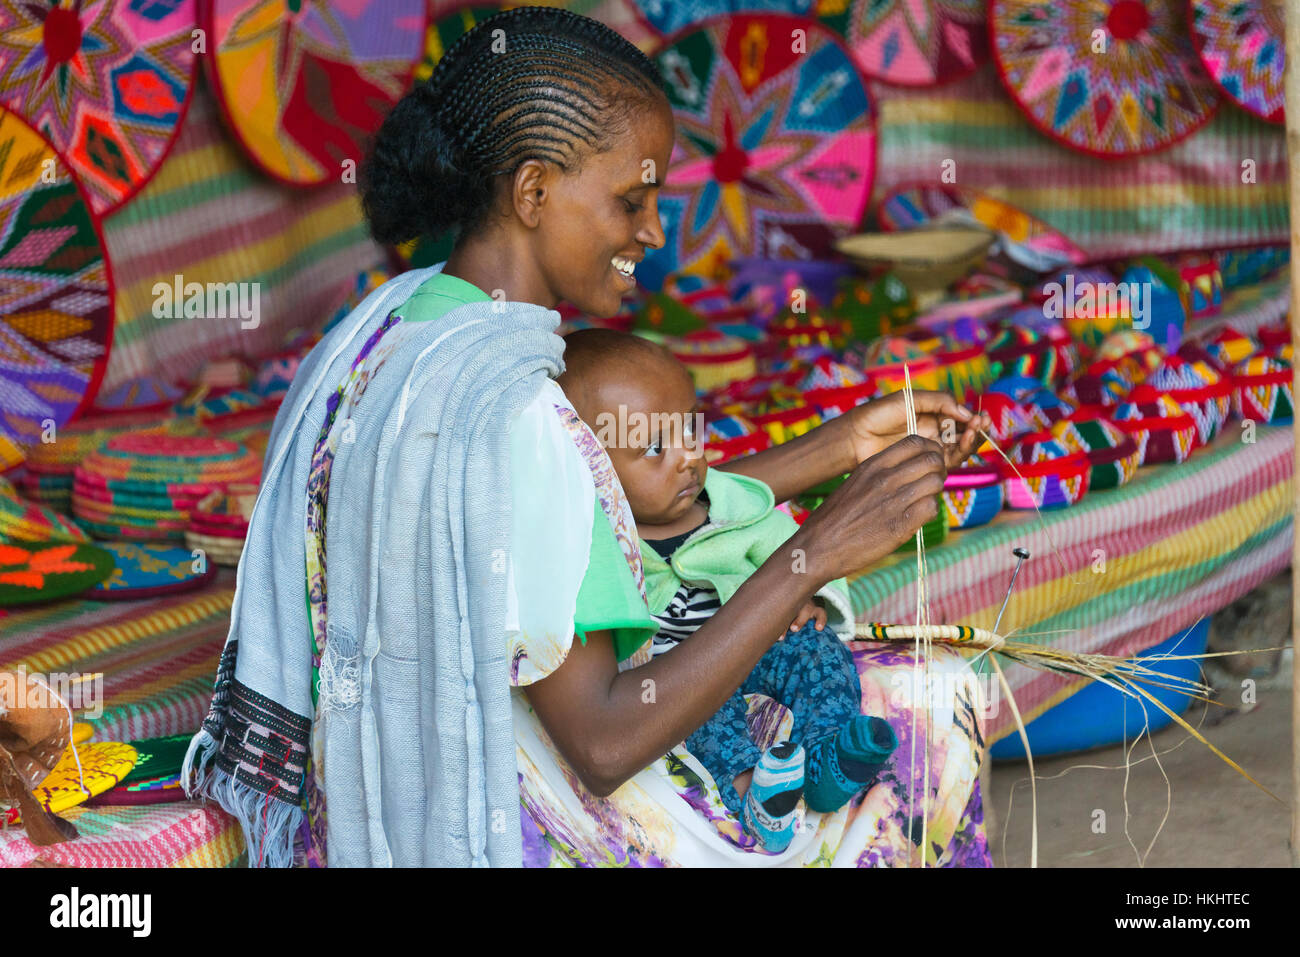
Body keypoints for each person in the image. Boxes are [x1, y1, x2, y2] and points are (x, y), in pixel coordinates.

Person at [185, 7, 993, 867]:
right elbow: (606, 741)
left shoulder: (392, 329)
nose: (652, 231)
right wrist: (819, 550)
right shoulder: (516, 411)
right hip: (512, 811)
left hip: (375, 790)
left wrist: (837, 449)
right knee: (932, 707)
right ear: (533, 192)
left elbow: (590, 520)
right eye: (631, 200)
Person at [557, 329, 901, 854]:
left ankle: (828, 754)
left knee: (820, 656)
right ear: (592, 470)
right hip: (680, 675)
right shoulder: (603, 543)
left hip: (761, 646)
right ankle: (755, 796)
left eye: (689, 429)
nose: (688, 458)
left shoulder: (727, 502)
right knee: (702, 719)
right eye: (655, 447)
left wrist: (803, 600)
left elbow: (789, 546)